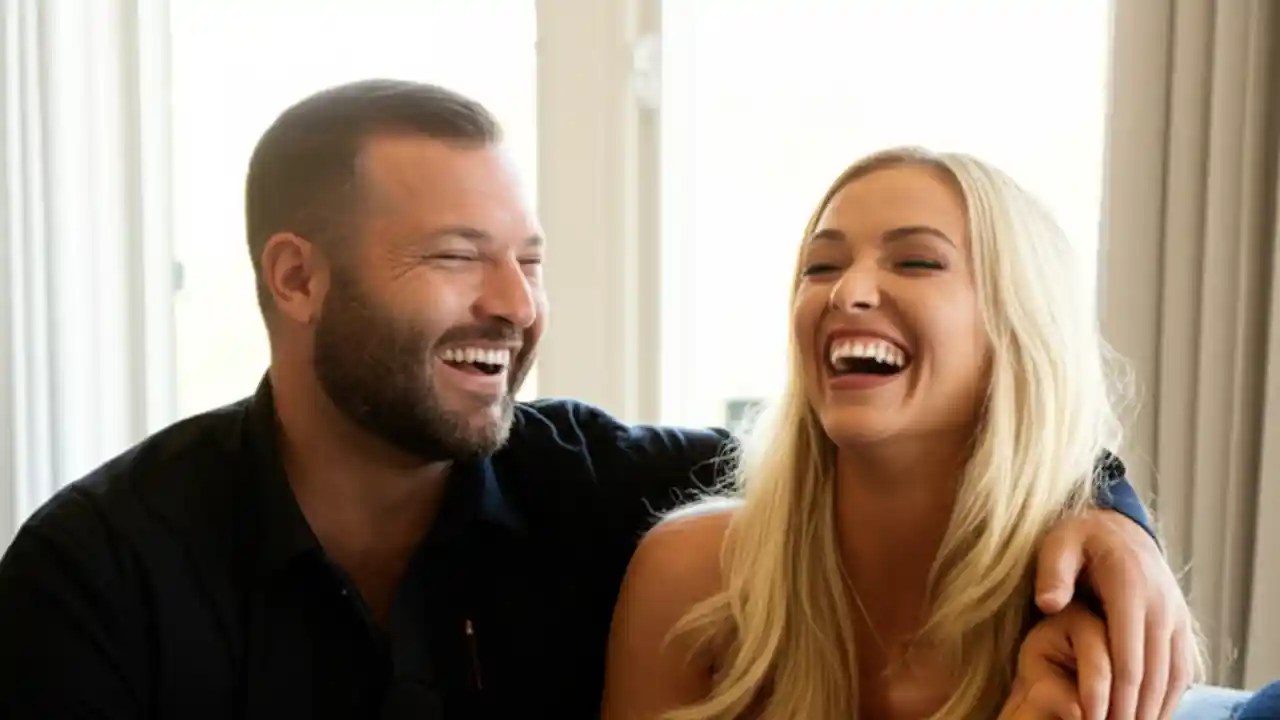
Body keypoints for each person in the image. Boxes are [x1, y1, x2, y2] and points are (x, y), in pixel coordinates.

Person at [0, 81, 1187, 719]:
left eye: (530, 260)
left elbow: (875, 459)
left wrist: (1104, 514)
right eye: (457, 257)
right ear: (296, 279)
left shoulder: (595, 488)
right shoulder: (96, 574)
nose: (516, 306)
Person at [603, 148, 1200, 720]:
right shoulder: (693, 579)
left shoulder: (1085, 607)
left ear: (1020, 328)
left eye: (916, 262)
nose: (847, 292)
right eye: (821, 267)